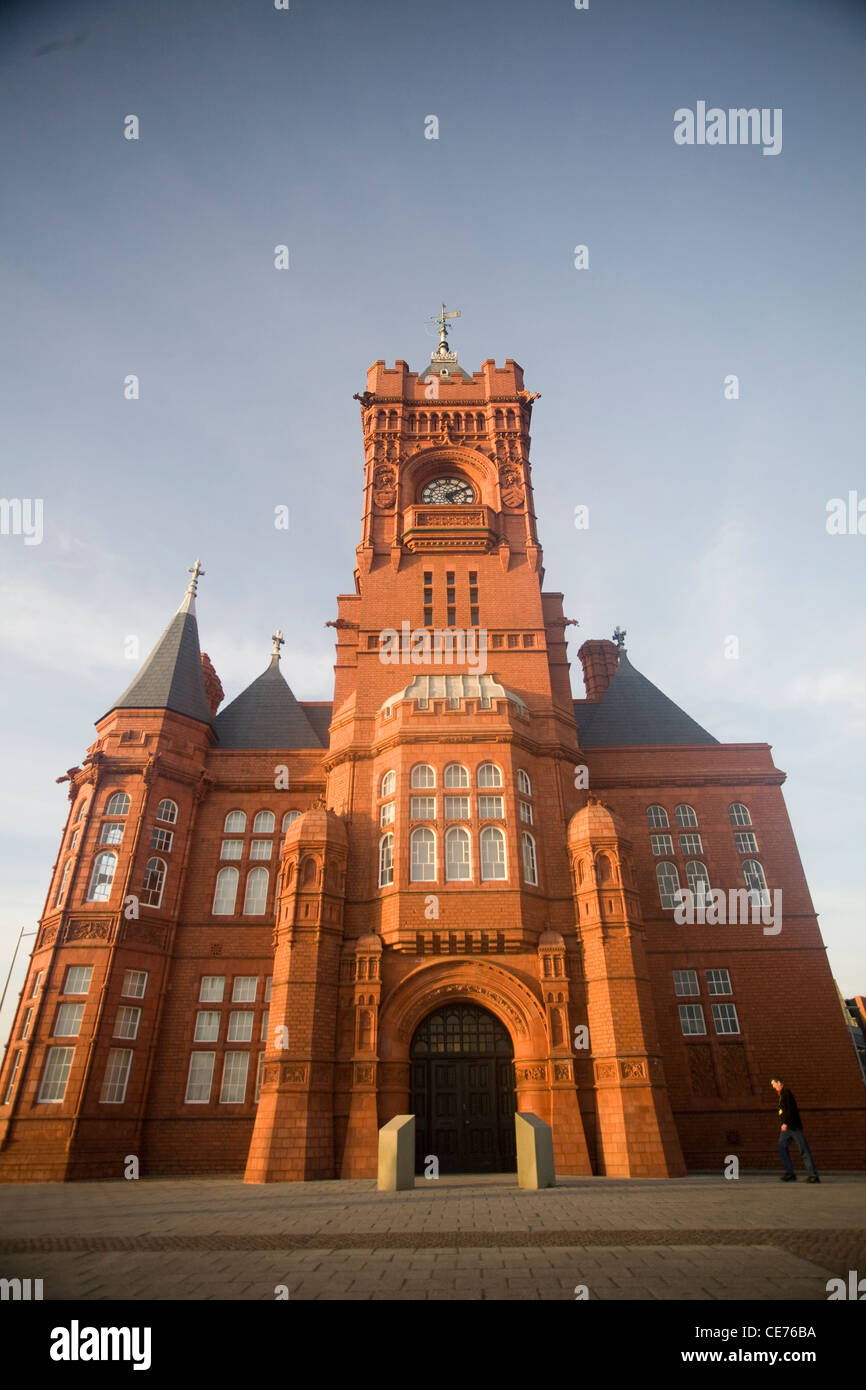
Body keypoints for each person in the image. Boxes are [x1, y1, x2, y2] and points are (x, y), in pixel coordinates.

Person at [771, 1077, 820, 1182]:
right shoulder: (781, 1094)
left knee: (803, 1149)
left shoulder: (786, 1093)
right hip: (786, 1129)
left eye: (773, 1084)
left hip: (793, 1127)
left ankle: (813, 1175)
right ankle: (790, 1173)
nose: (773, 1086)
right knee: (781, 1146)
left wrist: (785, 1122)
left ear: (779, 1083)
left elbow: (790, 1109)